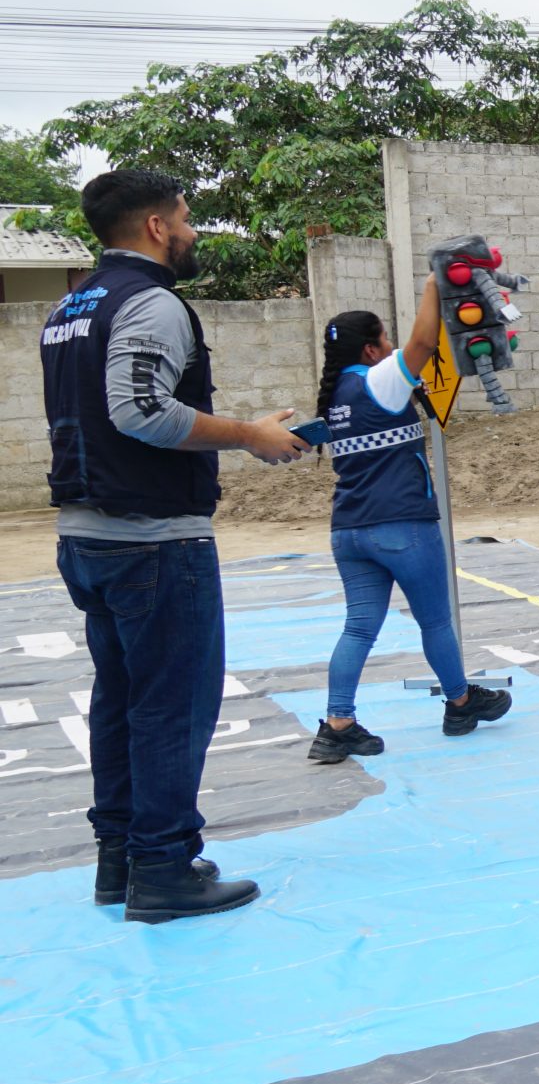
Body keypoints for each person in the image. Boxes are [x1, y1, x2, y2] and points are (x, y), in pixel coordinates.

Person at [41, 168, 312, 922]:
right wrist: (249, 435)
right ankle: (162, 868)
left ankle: (121, 861)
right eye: (186, 218)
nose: (193, 231)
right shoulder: (151, 302)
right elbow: (139, 410)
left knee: (121, 700)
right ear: (157, 227)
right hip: (153, 542)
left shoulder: (71, 306)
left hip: (88, 536)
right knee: (171, 707)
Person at [305, 297, 512, 768]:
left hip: (349, 531)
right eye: (384, 338)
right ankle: (460, 704)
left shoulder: (333, 396)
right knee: (435, 622)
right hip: (402, 526)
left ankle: (338, 726)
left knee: (358, 628)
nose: (391, 345)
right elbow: (423, 341)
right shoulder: (381, 381)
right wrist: (437, 283)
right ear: (371, 350)